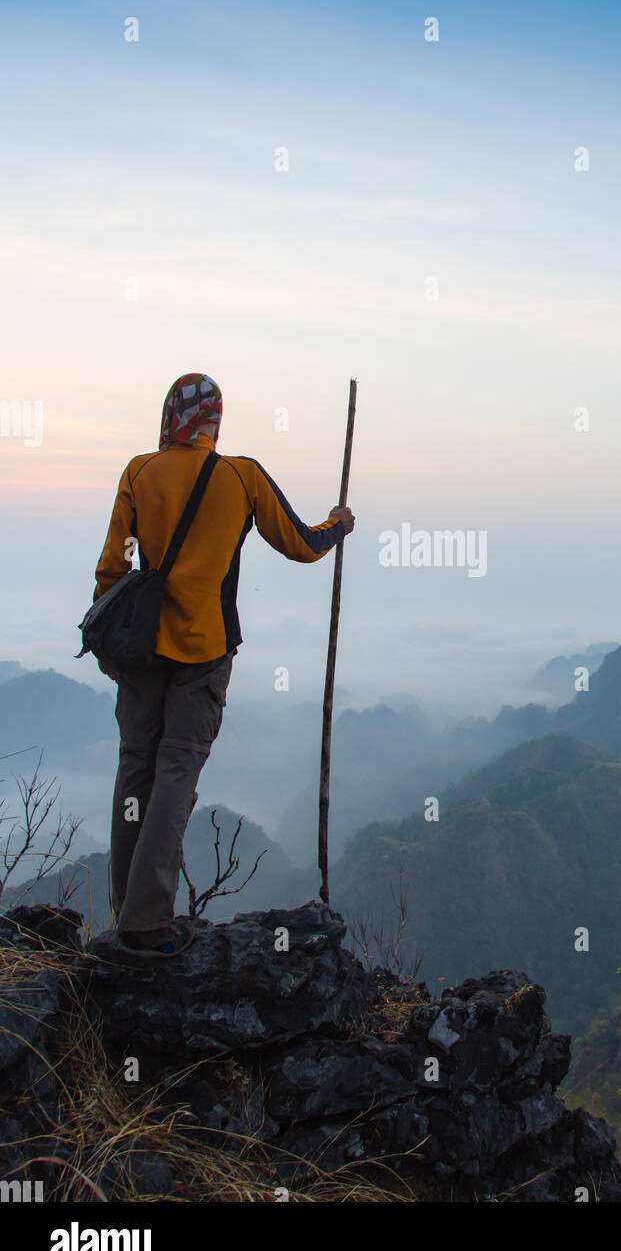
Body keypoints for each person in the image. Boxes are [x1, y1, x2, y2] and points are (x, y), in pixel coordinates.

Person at [93, 373, 355, 957]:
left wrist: (117, 639)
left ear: (168, 418)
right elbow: (300, 544)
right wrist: (339, 525)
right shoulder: (242, 476)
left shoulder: (139, 471)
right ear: (214, 421)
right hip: (204, 651)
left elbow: (113, 567)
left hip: (139, 652)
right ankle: (146, 923)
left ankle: (125, 913)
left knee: (136, 767)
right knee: (176, 771)